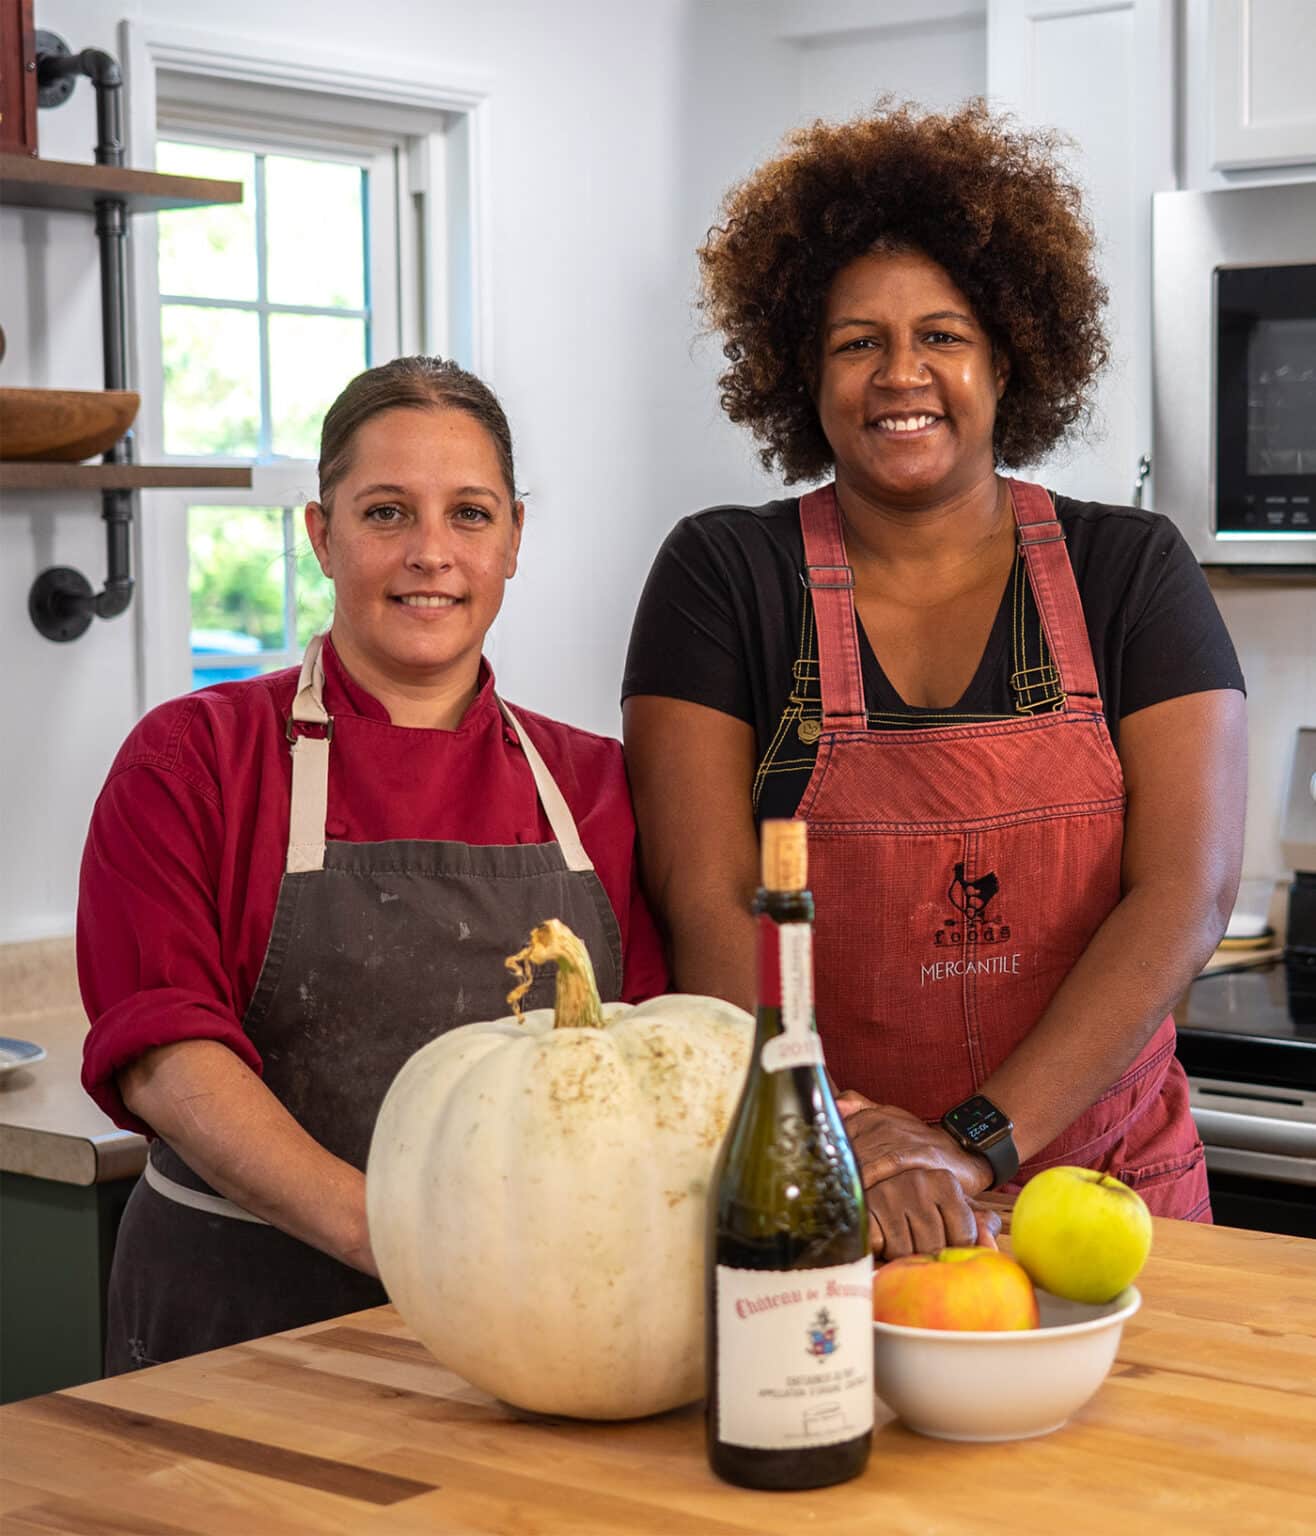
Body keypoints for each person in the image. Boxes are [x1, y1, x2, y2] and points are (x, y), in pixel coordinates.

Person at [623, 102, 1246, 1256]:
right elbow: (707, 911)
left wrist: (968, 1142)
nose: (898, 373)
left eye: (942, 335)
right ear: (799, 372)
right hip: (833, 1200)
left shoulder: (1128, 569)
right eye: (855, 341)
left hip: (1106, 1201)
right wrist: (851, 1139)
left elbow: (1185, 896)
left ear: (1006, 355)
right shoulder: (722, 576)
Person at [81, 356, 667, 1371]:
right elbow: (167, 1056)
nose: (430, 554)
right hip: (236, 1329)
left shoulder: (599, 787)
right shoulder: (192, 759)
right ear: (321, 534)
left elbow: (656, 1062)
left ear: (515, 539)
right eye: (387, 512)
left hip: (525, 1329)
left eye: (471, 515)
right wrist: (394, 1238)